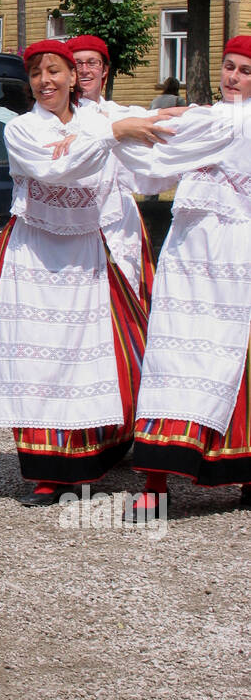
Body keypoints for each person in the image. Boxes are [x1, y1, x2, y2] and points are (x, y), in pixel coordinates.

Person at [0, 40, 173, 507]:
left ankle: (94, 455)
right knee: (39, 357)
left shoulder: (98, 120)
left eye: (54, 71)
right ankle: (48, 472)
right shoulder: (21, 129)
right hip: (36, 250)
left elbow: (151, 156)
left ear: (73, 77)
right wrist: (113, 135)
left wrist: (212, 127)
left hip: (88, 247)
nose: (45, 81)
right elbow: (58, 168)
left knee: (93, 352)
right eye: (36, 74)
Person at [118, 36, 251, 519]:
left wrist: (130, 125)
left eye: (245, 71)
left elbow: (182, 136)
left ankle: (240, 472)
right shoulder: (212, 118)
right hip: (187, 254)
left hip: (232, 259)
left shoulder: (238, 121)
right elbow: (153, 174)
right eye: (228, 67)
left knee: (232, 361)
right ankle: (155, 483)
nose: (233, 77)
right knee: (171, 354)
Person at [66, 34, 157, 307]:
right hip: (78, 216)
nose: (85, 70)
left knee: (124, 293)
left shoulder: (121, 112)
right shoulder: (62, 115)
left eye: (92, 63)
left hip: (119, 219)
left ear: (104, 70)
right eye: (78, 64)